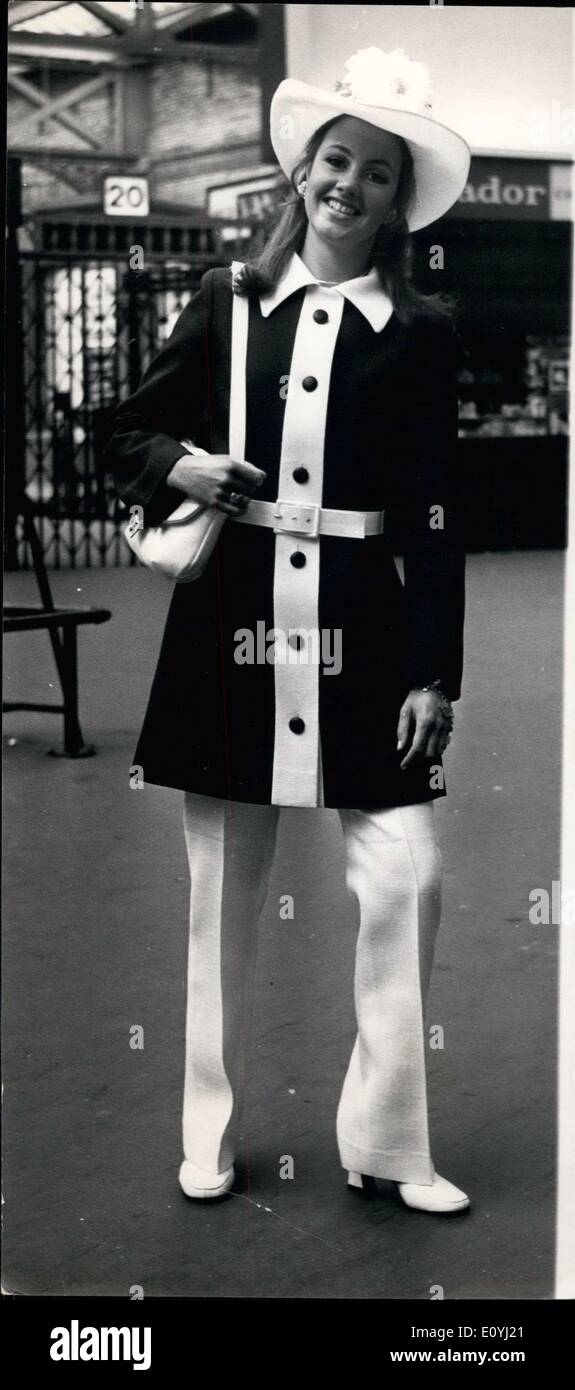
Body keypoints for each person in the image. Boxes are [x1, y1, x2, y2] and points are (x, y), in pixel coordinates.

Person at [104, 46, 472, 1214]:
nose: (347, 186)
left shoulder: (420, 331)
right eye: (334, 160)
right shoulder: (225, 301)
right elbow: (122, 433)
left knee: (408, 874)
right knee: (220, 895)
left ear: (396, 202)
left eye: (374, 173)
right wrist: (184, 464)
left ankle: (387, 1142)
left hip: (365, 629)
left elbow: (435, 510)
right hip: (231, 630)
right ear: (301, 171)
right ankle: (206, 1134)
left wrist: (434, 672)